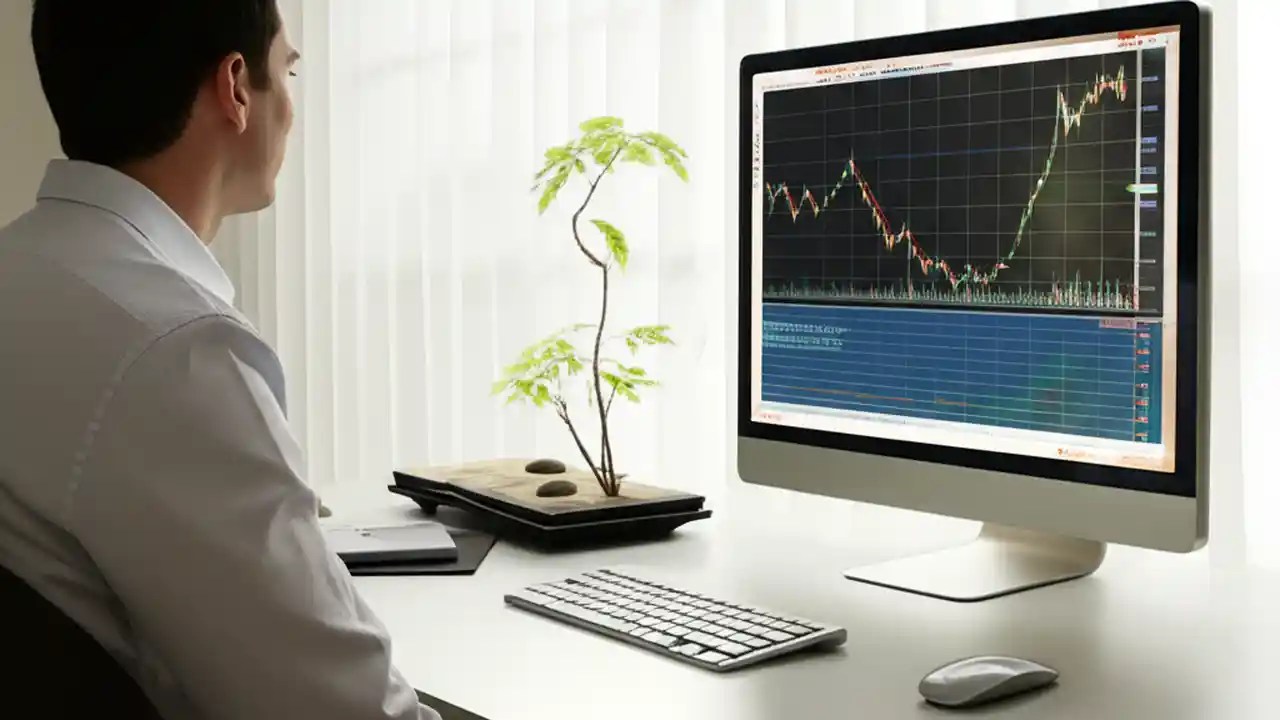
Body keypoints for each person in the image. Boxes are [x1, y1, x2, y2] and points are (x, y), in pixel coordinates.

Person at [0, 2, 441, 718]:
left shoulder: (23, 273)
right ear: (236, 87)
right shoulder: (172, 350)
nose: (294, 108)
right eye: (288, 70)